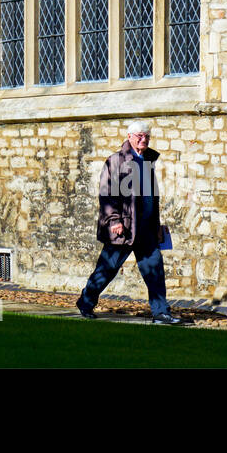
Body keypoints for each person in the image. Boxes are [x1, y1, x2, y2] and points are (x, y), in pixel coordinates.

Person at [75, 120, 182, 324]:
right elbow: (107, 194)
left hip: (147, 230)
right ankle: (86, 302)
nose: (144, 139)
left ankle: (161, 312)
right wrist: (114, 220)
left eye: (147, 136)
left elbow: (152, 198)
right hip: (123, 228)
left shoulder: (148, 161)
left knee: (155, 271)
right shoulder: (116, 161)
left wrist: (157, 226)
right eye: (140, 135)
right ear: (129, 137)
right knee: (107, 269)